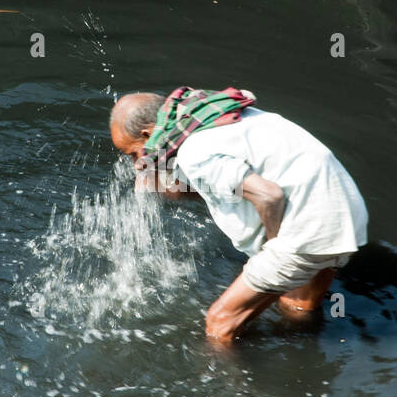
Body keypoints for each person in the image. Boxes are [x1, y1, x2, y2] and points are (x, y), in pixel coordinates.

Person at [109, 87, 367, 343]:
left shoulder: (194, 153)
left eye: (133, 153)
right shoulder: (212, 117)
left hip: (305, 228)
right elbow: (218, 185)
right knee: (297, 306)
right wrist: (159, 178)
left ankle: (233, 385)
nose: (135, 163)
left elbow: (269, 196)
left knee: (220, 324)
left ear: (147, 134)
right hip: (342, 212)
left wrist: (271, 249)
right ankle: (311, 358)